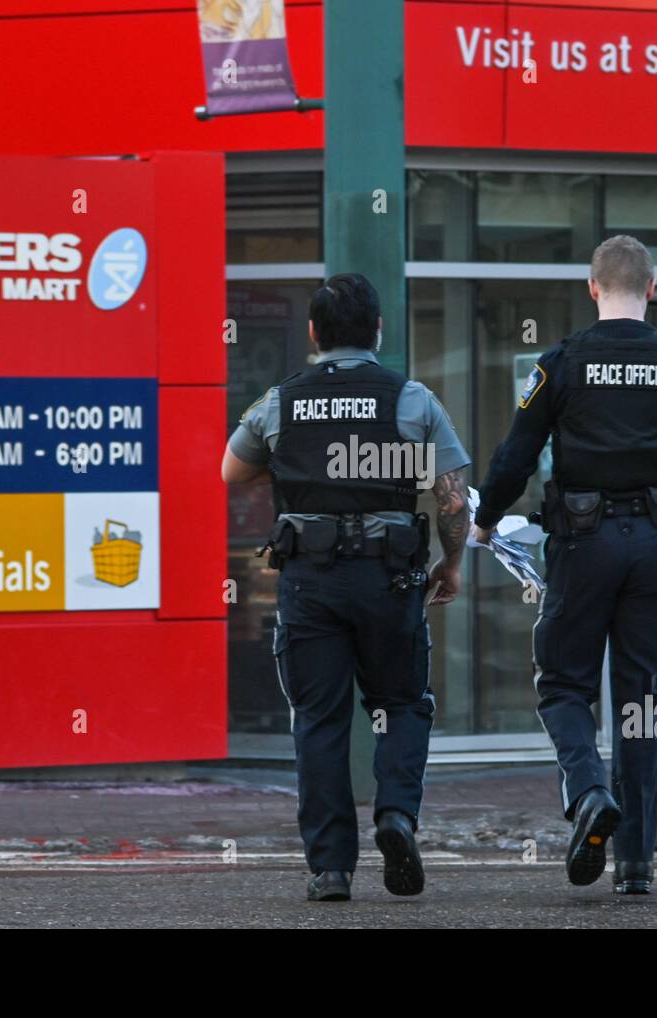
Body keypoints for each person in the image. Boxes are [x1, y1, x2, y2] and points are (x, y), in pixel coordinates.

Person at [472, 235, 657, 894]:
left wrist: (482, 525)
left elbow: (513, 460)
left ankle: (590, 794)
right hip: (653, 546)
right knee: (639, 698)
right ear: (651, 290)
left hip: (582, 542)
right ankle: (637, 865)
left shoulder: (561, 362)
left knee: (563, 684)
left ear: (592, 288)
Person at [221, 272, 470, 902]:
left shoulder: (282, 400)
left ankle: (330, 869)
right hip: (390, 579)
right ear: (378, 331)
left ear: (312, 333)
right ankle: (394, 816)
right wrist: (452, 561)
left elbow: (231, 468)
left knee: (320, 719)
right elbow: (453, 494)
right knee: (404, 703)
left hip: (311, 580)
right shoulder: (411, 398)